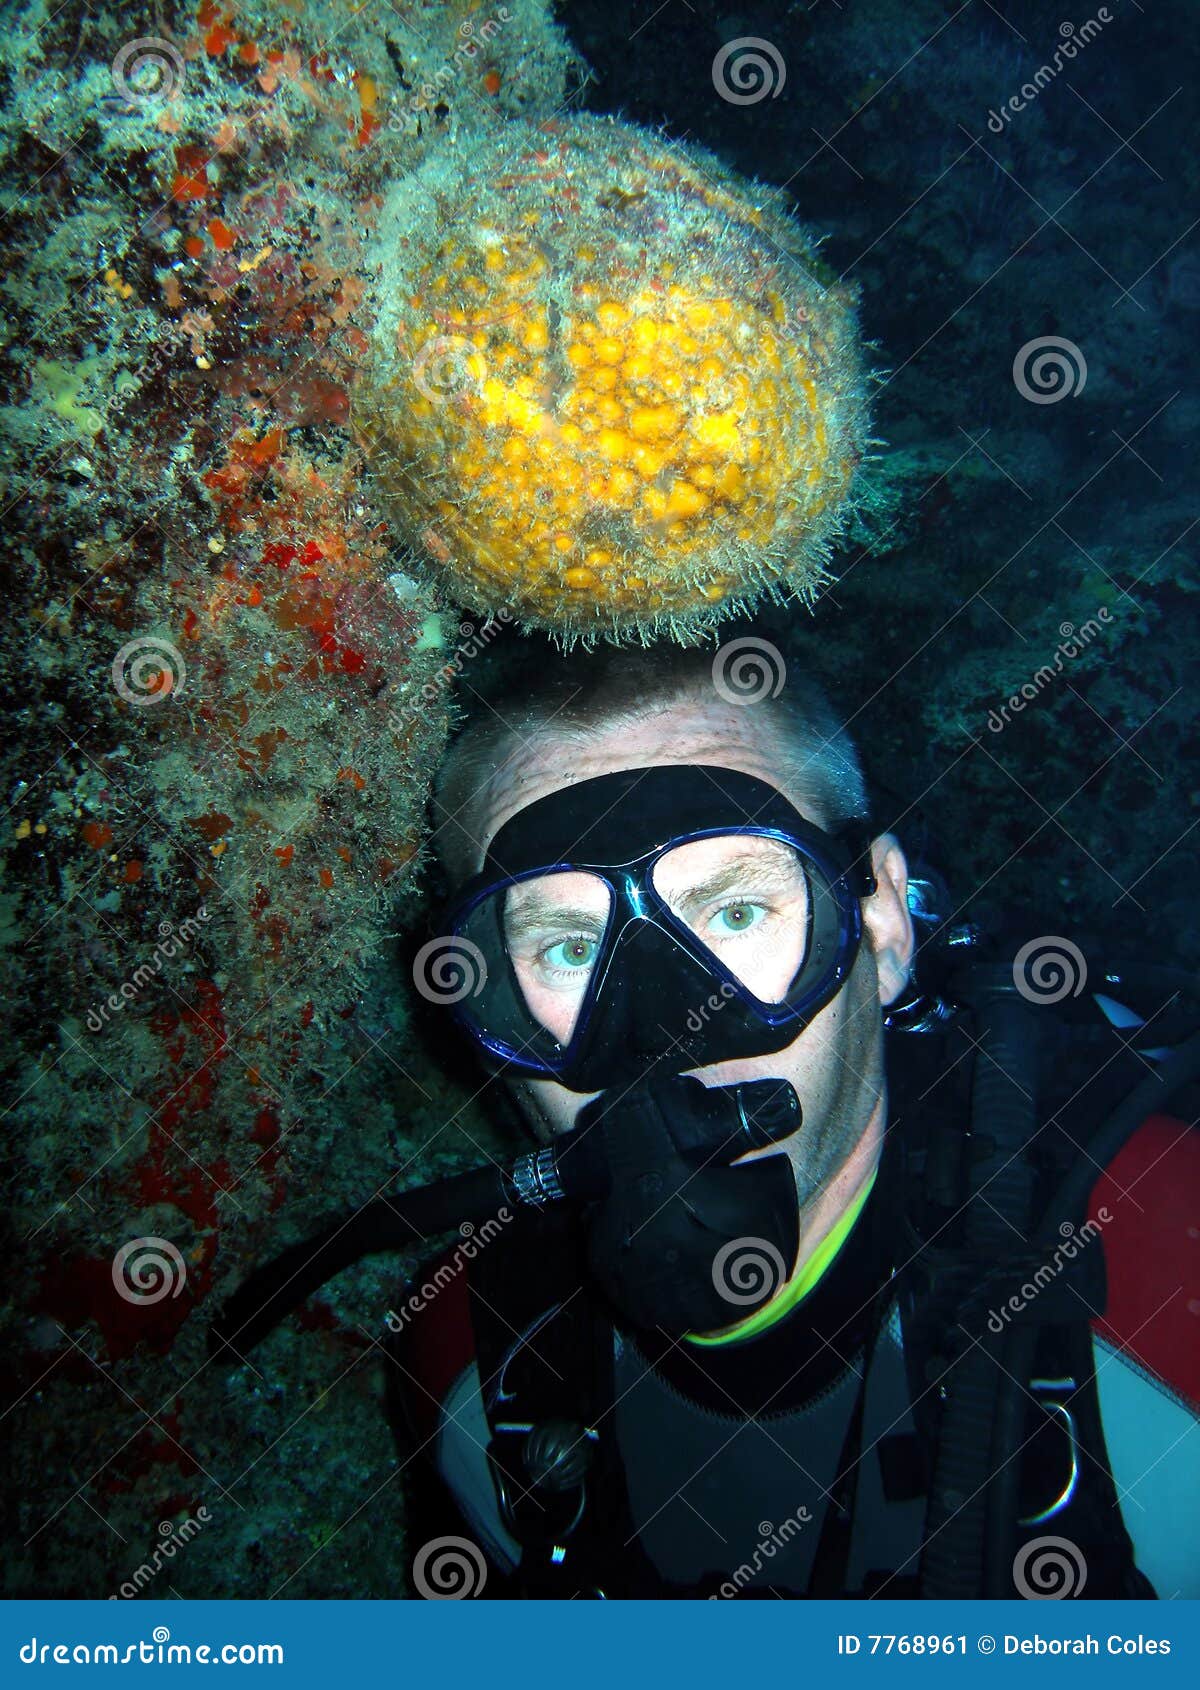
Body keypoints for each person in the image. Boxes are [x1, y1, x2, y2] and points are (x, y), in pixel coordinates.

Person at [389, 640, 1199, 1600]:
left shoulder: (1163, 1286)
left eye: (735, 913)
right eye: (568, 947)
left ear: (885, 926)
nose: (666, 1039)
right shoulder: (462, 1366)